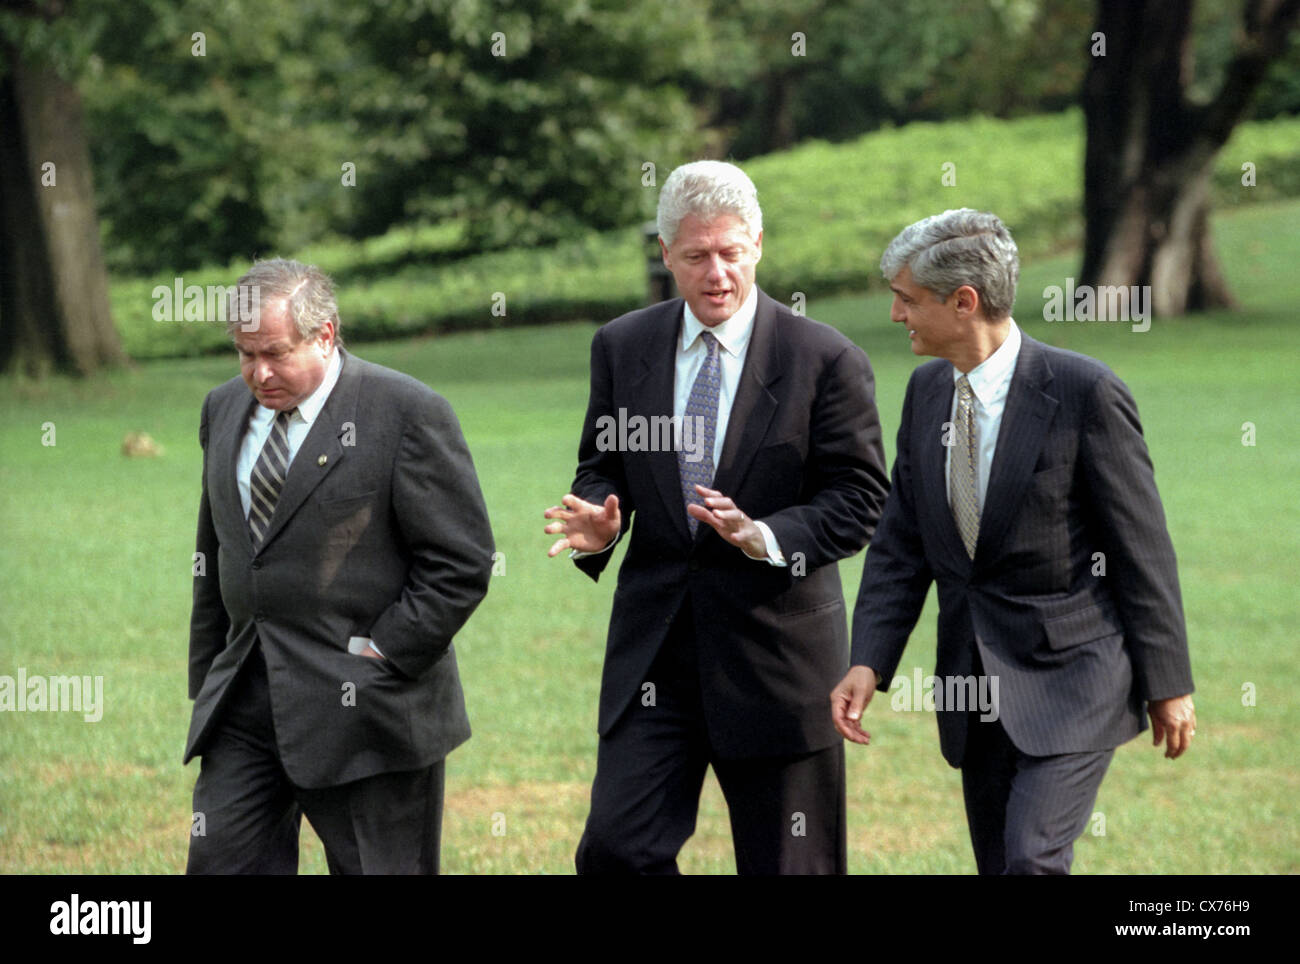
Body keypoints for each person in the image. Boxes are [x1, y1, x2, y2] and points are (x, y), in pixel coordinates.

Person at [545, 161, 890, 874]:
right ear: (666, 254)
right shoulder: (622, 347)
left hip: (778, 664)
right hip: (656, 657)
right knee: (616, 851)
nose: (717, 273)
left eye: (732, 252)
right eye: (697, 255)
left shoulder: (825, 359)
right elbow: (603, 466)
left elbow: (859, 500)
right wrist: (602, 521)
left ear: (758, 245)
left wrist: (765, 536)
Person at [831, 209, 1196, 874]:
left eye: (907, 299)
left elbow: (1141, 546)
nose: (894, 315)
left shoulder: (1085, 392)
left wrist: (1168, 682)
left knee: (1031, 860)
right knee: (1002, 863)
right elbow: (901, 543)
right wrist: (869, 661)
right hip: (974, 687)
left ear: (964, 302)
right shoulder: (925, 393)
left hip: (1075, 678)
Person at [184, 258, 493, 874]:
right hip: (245, 703)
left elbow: (460, 561)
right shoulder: (222, 408)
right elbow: (216, 551)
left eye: (274, 352)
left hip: (367, 712)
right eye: (244, 354)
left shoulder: (405, 411)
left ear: (324, 333)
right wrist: (207, 678)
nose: (258, 373)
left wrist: (384, 653)